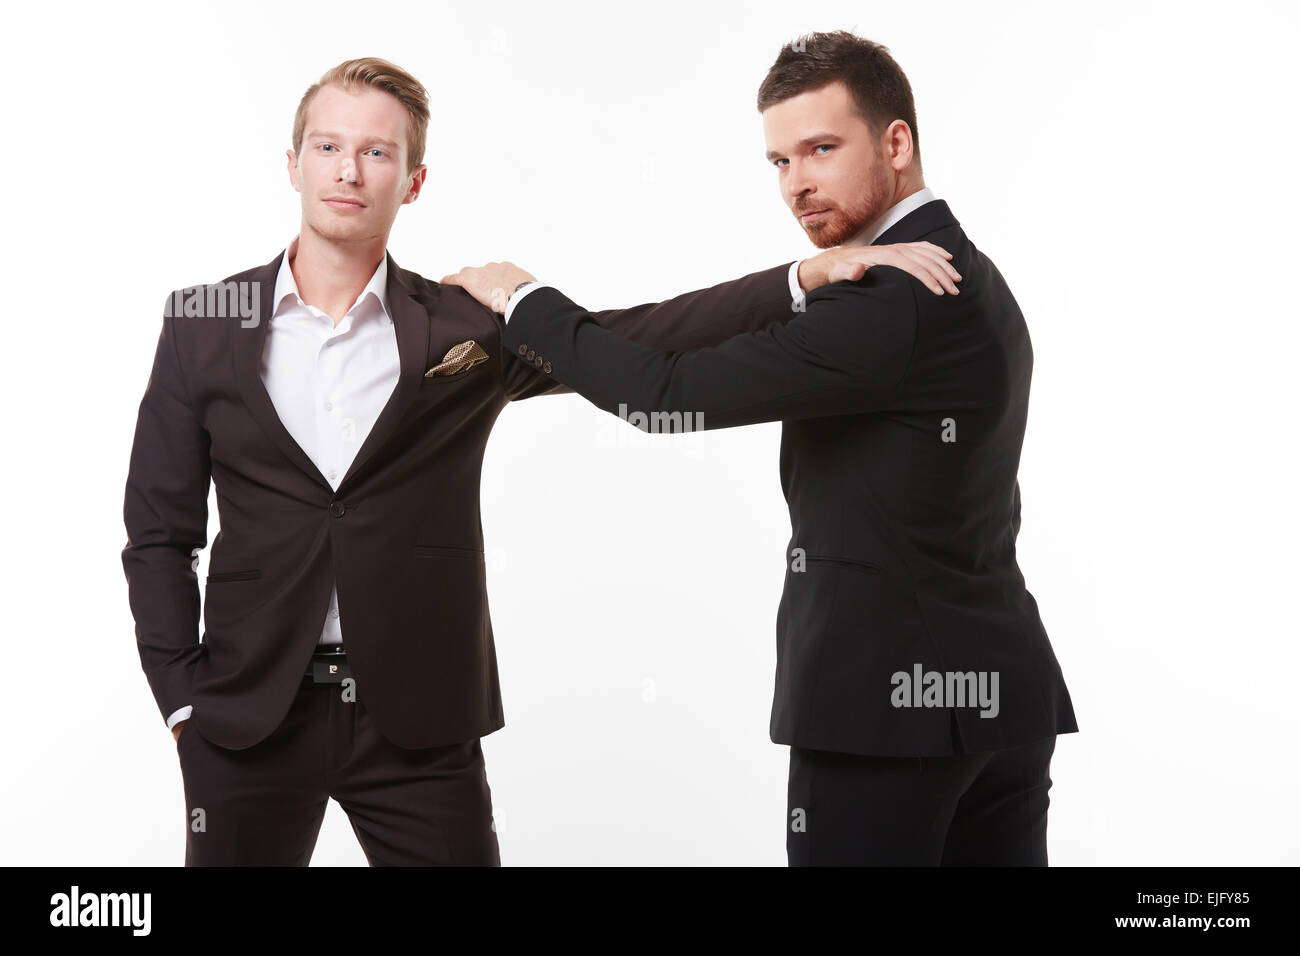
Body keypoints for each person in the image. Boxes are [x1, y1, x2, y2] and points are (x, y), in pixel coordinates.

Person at [121, 54, 956, 866]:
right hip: (247, 717)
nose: (349, 170)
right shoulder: (202, 324)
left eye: (378, 151)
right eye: (329, 147)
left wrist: (803, 277)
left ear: (411, 181)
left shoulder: (461, 328)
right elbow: (158, 533)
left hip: (416, 720)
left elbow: (637, 333)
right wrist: (183, 702)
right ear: (294, 164)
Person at [447, 31, 1078, 866]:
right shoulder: (971, 273)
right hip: (1005, 701)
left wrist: (518, 296)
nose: (798, 183)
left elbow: (659, 392)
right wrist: (802, 276)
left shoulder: (887, 302)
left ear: (897, 142)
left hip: (886, 718)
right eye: (779, 162)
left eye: (821, 148)